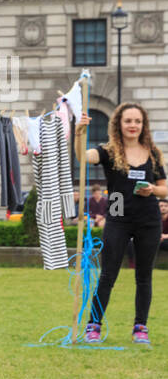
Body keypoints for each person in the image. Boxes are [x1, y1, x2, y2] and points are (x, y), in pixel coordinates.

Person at [77, 103, 166, 344]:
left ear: (143, 124)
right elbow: (82, 157)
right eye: (128, 121)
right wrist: (79, 134)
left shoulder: (153, 153)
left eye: (137, 121)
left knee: (144, 276)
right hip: (117, 216)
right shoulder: (109, 151)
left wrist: (153, 190)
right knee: (108, 275)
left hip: (148, 219)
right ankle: (93, 326)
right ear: (119, 123)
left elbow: (164, 188)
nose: (133, 126)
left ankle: (140, 327)